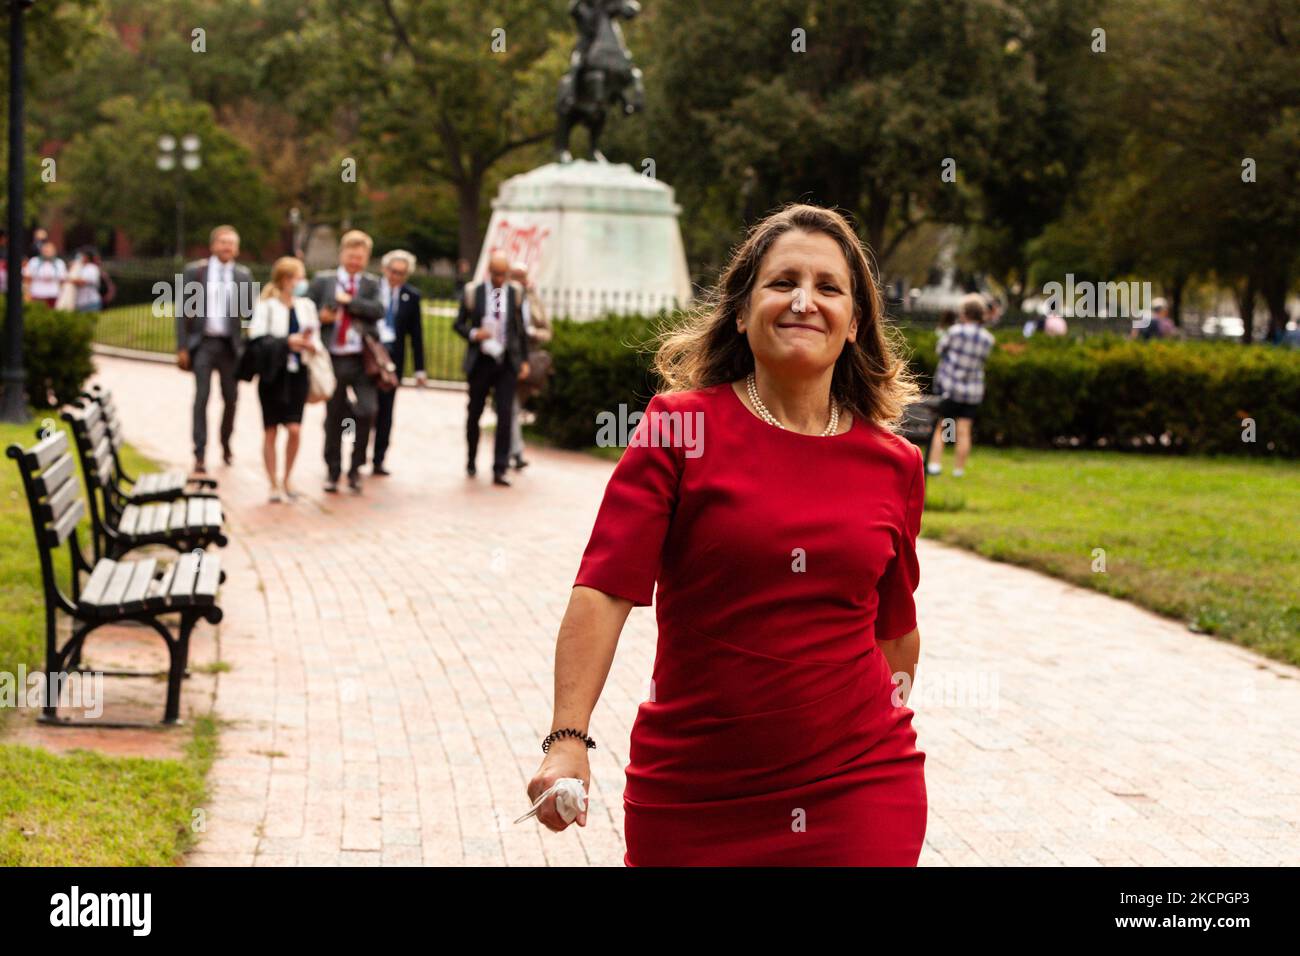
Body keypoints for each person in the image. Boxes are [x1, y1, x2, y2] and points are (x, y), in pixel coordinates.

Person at [525, 203, 928, 866]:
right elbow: (603, 589)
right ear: (742, 312)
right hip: (696, 793)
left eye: (829, 287)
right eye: (781, 283)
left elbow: (894, 629)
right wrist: (567, 737)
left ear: (855, 323)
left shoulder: (896, 464)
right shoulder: (678, 428)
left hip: (857, 787)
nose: (804, 300)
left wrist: (876, 726)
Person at [309, 229, 384, 494]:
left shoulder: (371, 284)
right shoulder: (323, 281)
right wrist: (322, 317)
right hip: (334, 358)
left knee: (368, 410)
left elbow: (378, 310)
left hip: (361, 359)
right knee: (334, 416)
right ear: (342, 254)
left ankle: (355, 467)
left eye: (360, 258)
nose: (355, 262)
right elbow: (306, 312)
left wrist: (350, 302)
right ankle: (333, 469)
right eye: (351, 256)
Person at [177, 225, 255, 474]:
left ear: (237, 248)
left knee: (231, 399)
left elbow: (250, 314)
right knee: (202, 398)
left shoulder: (243, 275)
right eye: (222, 242)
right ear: (213, 245)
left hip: (230, 347)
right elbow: (182, 311)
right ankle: (199, 452)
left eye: (231, 243)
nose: (227, 247)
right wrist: (182, 346)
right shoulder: (196, 272)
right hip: (203, 344)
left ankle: (225, 443)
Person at [453, 250, 531, 486]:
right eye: (495, 273)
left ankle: (500, 467)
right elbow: (458, 324)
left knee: (505, 414)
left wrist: (524, 360)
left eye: (503, 274)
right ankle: (471, 459)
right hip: (481, 361)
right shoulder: (473, 292)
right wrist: (475, 333)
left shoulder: (515, 294)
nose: (499, 279)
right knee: (474, 412)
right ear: (489, 271)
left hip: (506, 362)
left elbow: (521, 330)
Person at [246, 256, 320, 502]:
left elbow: (317, 338)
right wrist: (287, 341)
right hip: (273, 376)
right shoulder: (266, 306)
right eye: (299, 277)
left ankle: (287, 477)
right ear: (287, 280)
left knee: (295, 429)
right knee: (270, 431)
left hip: (298, 374)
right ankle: (273, 483)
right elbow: (256, 338)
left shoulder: (306, 306)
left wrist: (309, 345)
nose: (302, 282)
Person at [369, 249, 427, 476]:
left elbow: (417, 335)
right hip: (370, 355)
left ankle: (379, 458)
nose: (396, 277)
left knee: (386, 410)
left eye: (402, 274)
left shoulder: (411, 297)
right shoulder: (371, 289)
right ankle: (354, 449)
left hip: (393, 359)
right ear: (385, 270)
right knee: (363, 409)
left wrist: (420, 369)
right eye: (393, 272)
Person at [927, 292, 995, 478]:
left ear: (964, 313)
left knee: (943, 426)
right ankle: (958, 469)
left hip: (950, 388)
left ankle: (935, 465)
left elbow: (940, 349)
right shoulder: (987, 339)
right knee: (964, 430)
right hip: (972, 391)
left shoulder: (955, 332)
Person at [508, 260, 552, 470]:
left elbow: (548, 331)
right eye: (515, 276)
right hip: (507, 359)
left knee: (512, 408)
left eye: (522, 276)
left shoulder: (533, 300)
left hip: (530, 358)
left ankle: (509, 450)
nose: (519, 280)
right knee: (510, 407)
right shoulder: (501, 296)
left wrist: (534, 333)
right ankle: (516, 452)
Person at [22, 238, 66, 308]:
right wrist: (27, 291)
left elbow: (63, 278)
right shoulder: (34, 261)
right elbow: (27, 276)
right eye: (45, 250)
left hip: (53, 293)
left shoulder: (59, 263)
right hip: (37, 292)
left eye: (49, 250)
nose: (47, 252)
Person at [70, 247, 104, 313]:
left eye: (81, 255)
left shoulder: (92, 268)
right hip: (80, 303)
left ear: (87, 257)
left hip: (90, 303)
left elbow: (82, 282)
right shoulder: (80, 268)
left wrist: (69, 280)